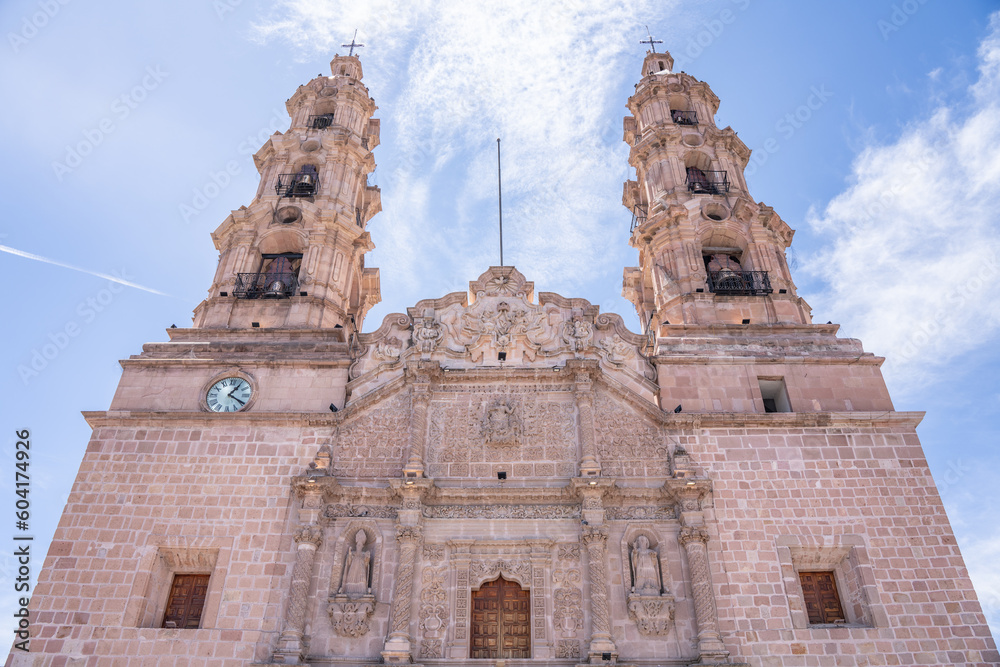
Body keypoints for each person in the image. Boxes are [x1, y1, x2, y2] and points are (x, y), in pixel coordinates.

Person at [341, 531, 371, 596]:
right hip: (353, 568)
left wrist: (367, 557)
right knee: (351, 578)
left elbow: (366, 564)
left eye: (360, 545)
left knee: (361, 579)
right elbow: (349, 562)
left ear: (362, 546)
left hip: (361, 569)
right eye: (358, 545)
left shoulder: (364, 554)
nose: (358, 546)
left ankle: (362, 591)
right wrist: (349, 554)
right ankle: (348, 590)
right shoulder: (353, 553)